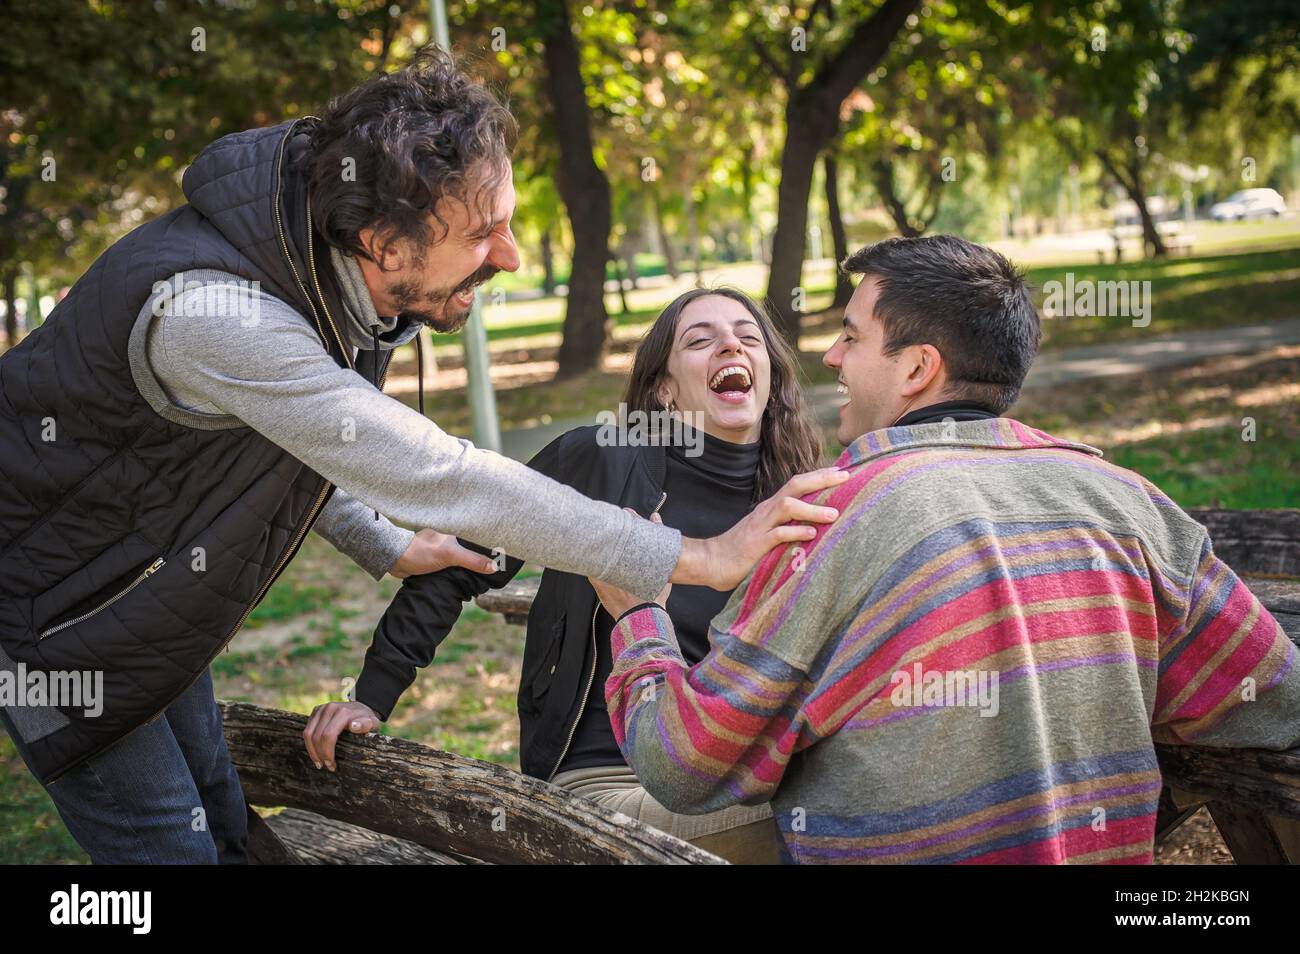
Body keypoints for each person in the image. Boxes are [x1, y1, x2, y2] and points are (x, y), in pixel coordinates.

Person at [0, 48, 846, 864]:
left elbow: (276, 435)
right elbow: (442, 475)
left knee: (224, 822)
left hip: (142, 597)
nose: (511, 255)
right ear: (383, 240)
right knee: (169, 847)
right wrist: (697, 556)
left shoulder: (320, 274)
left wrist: (384, 544)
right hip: (57, 623)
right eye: (486, 232)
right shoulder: (218, 315)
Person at [589, 235, 1300, 864]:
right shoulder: (1127, 498)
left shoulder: (831, 515)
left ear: (917, 368)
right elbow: (1274, 699)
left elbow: (681, 763)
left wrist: (639, 618)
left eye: (852, 336)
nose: (829, 356)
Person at [305, 287, 825, 863]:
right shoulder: (600, 461)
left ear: (770, 374)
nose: (731, 343)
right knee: (838, 811)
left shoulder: (800, 500)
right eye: (700, 340)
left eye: (748, 337)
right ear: (664, 390)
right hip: (609, 783)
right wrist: (370, 697)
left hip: (737, 772)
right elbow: (460, 565)